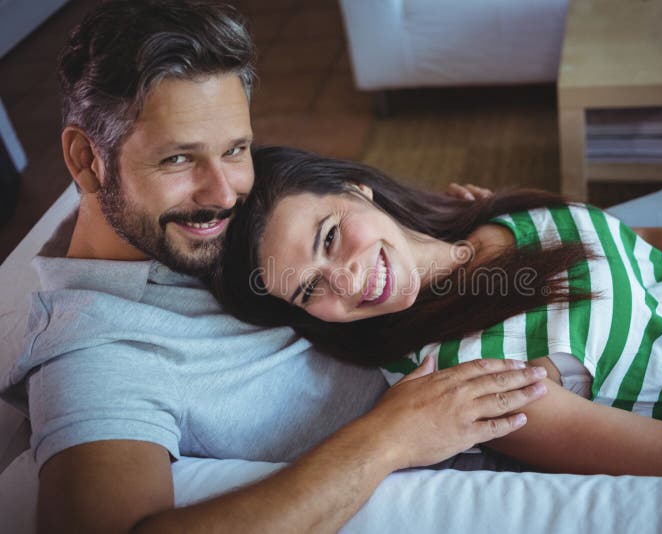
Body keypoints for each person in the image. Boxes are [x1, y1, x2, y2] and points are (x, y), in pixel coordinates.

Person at [0, 2, 551, 532]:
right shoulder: (96, 350)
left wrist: (425, 222)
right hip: (516, 449)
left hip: (504, 332)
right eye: (178, 158)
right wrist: (389, 440)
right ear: (84, 160)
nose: (224, 193)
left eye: (236, 150)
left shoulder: (190, 230)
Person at [216, 145, 662, 480]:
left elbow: (638, 237)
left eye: (329, 238)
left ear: (357, 189)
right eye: (309, 290)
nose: (344, 279)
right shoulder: (463, 376)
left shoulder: (489, 217)